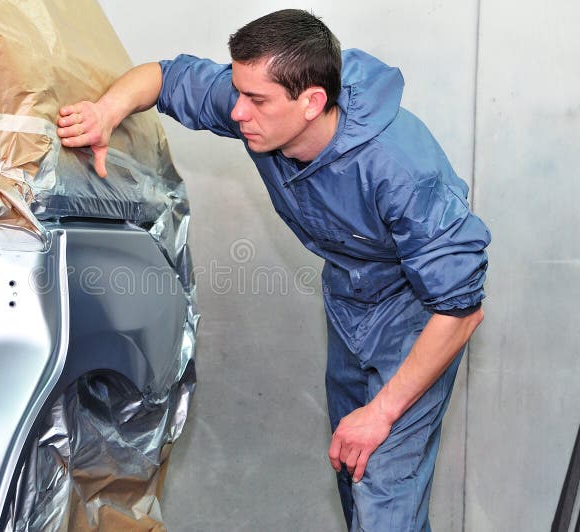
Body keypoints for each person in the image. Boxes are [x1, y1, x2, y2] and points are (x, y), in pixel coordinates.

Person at [56, 9, 490, 531]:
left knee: (383, 490)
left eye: (255, 100)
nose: (237, 111)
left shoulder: (401, 170)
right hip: (350, 300)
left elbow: (460, 310)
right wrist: (104, 113)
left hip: (419, 319)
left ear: (311, 102)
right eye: (238, 91)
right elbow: (164, 77)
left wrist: (382, 413)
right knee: (354, 474)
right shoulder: (263, 102)